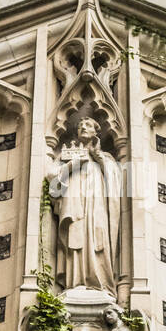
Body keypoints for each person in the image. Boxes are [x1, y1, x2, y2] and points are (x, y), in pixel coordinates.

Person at [50, 117, 120, 296]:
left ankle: (100, 282)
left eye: (88, 125)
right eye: (80, 125)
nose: (83, 127)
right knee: (75, 233)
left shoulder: (105, 157)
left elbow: (116, 180)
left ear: (96, 131)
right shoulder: (67, 154)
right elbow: (51, 179)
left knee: (97, 235)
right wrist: (72, 165)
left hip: (96, 203)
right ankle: (74, 282)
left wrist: (98, 157)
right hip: (74, 204)